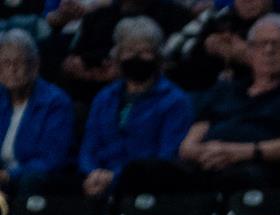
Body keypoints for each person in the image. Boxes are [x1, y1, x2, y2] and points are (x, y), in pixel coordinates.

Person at [127, 13, 280, 193]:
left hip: (257, 166)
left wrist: (240, 152)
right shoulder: (225, 89)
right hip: (206, 162)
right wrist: (207, 153)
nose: (269, 50)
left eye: (278, 44)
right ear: (249, 52)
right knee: (142, 171)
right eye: (261, 44)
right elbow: (188, 145)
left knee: (238, 179)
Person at [79, 16, 193, 197]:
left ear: (157, 56)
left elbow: (167, 156)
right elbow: (89, 146)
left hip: (146, 186)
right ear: (118, 55)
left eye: (144, 52)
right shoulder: (104, 97)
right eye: (129, 51)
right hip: (97, 182)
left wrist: (116, 177)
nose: (136, 58)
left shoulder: (175, 100)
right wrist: (93, 173)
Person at [162, 0, 280, 92]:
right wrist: (206, 45)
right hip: (206, 96)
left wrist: (249, 56)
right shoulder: (214, 16)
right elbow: (170, 48)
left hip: (261, 102)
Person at [0, 30, 72, 196]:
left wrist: (9, 175)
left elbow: (51, 159)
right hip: (3, 178)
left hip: (33, 179)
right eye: (6, 63)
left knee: (31, 180)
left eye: (19, 62)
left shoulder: (55, 102)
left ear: (34, 65)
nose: (12, 69)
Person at [55, 0, 187, 88]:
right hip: (93, 94)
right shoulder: (95, 17)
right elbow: (71, 62)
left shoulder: (176, 16)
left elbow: (178, 65)